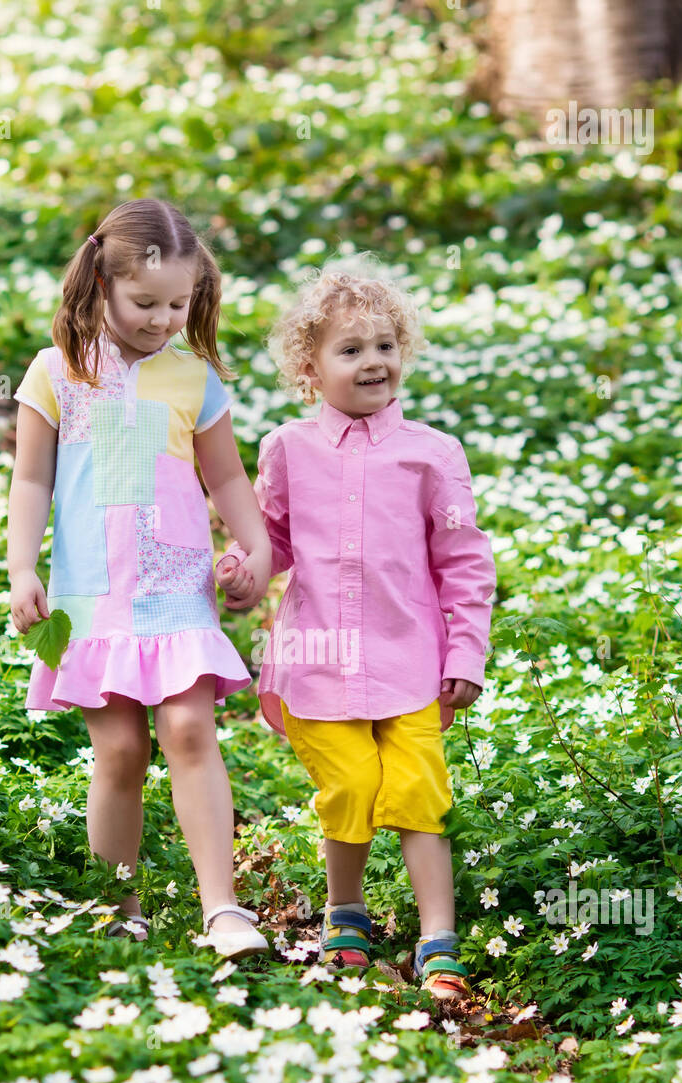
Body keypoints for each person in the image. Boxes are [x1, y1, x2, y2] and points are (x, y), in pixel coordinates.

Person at [217, 256, 496, 1000]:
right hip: (318, 659)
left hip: (411, 659)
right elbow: (269, 539)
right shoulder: (285, 449)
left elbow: (464, 561)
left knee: (416, 790)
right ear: (310, 368)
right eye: (351, 349)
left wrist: (466, 648)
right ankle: (347, 911)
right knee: (350, 784)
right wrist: (245, 576)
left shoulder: (432, 454)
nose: (373, 361)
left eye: (385, 346)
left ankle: (439, 936)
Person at [7, 198, 273, 960]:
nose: (162, 319)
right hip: (91, 594)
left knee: (189, 729)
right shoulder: (56, 372)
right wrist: (22, 566)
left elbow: (227, 481)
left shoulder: (193, 377)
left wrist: (253, 551)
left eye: (178, 304)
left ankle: (221, 908)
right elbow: (30, 481)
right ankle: (118, 904)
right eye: (145, 302)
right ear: (101, 283)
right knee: (120, 750)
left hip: (176, 587)